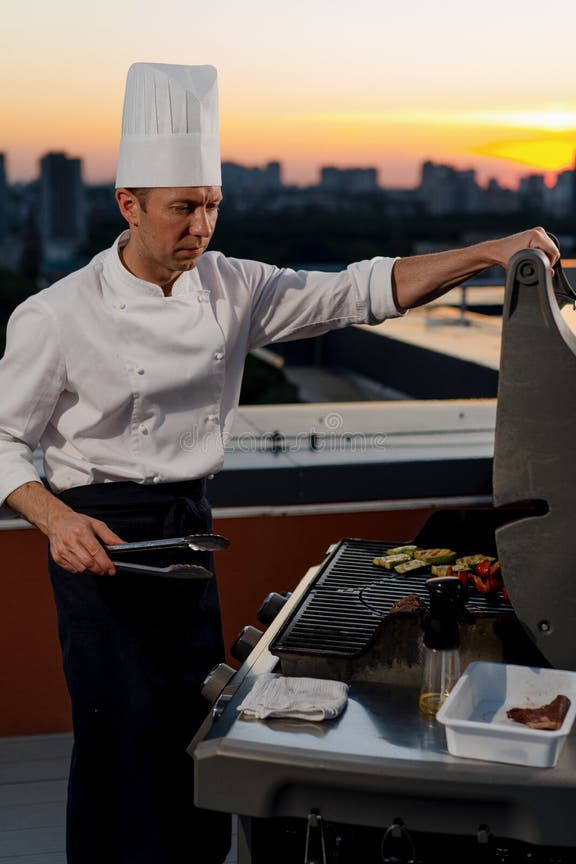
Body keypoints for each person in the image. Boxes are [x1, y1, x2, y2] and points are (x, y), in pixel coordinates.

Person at [0, 62, 559, 864]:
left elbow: (358, 291)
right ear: (128, 205)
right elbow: (1, 438)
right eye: (182, 209)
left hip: (187, 529)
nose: (201, 227)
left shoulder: (233, 287)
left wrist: (486, 253)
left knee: (192, 731)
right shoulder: (53, 315)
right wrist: (53, 519)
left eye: (213, 207)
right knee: (119, 745)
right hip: (101, 539)